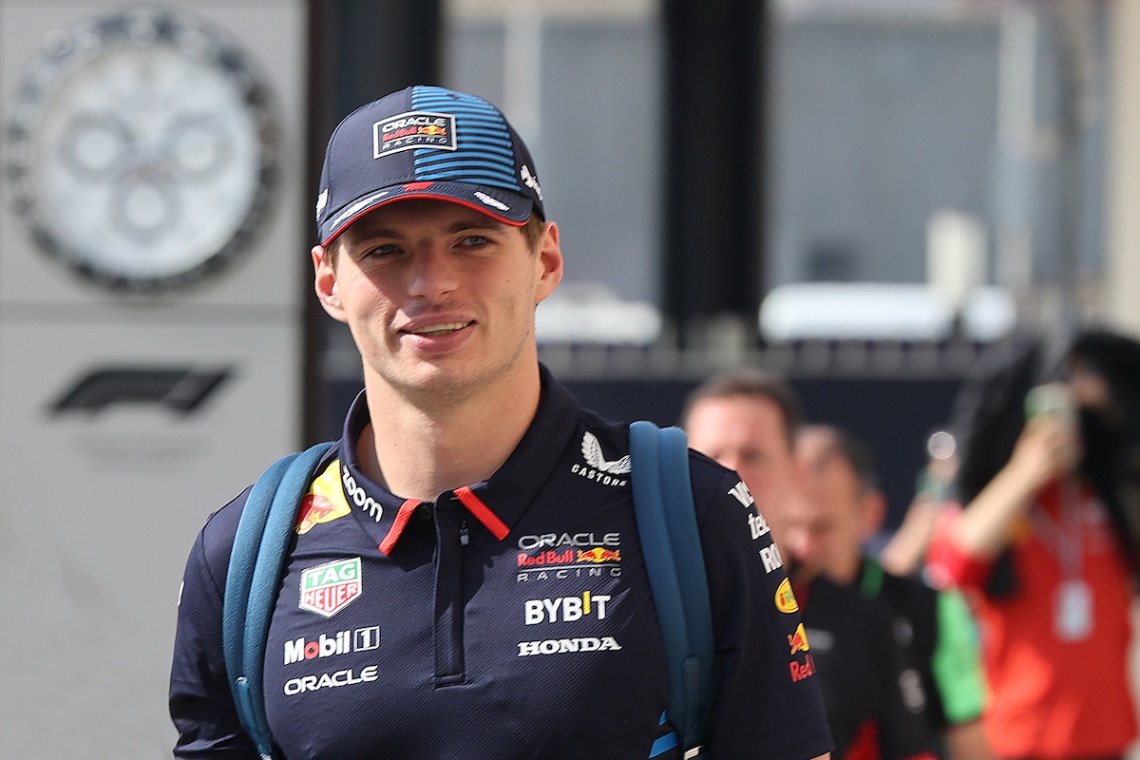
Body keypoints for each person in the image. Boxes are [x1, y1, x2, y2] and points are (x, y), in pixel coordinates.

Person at [167, 85, 833, 760]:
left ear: (545, 260)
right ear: (328, 282)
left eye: (472, 240)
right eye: (385, 251)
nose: (432, 283)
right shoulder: (244, 556)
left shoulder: (691, 511)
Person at [681, 371, 937, 760]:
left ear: (796, 471)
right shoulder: (631, 609)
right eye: (711, 457)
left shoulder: (867, 623)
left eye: (753, 456)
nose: (730, 475)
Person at [926, 329, 1140, 760]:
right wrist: (1026, 472)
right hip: (1020, 735)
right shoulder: (1000, 498)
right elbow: (953, 566)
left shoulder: (1105, 496)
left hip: (1107, 733)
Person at [787, 425, 992, 760]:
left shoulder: (933, 609)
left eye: (822, 527)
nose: (803, 546)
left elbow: (971, 744)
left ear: (870, 514)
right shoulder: (762, 603)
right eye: (791, 525)